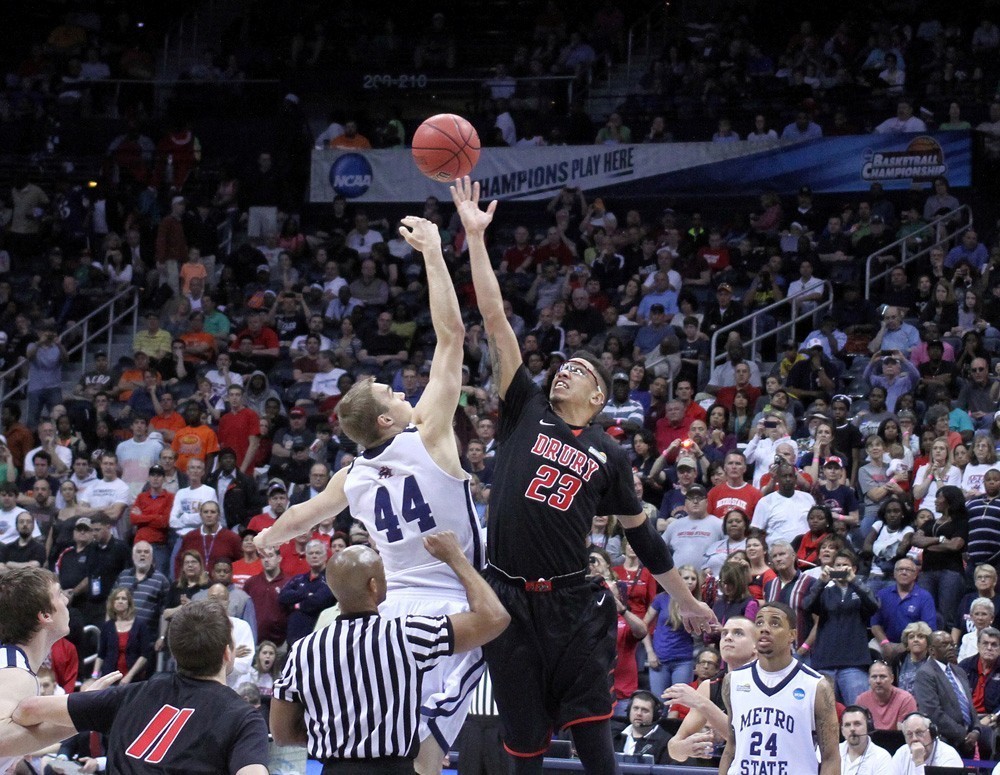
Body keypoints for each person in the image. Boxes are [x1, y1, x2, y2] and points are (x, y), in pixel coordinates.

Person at [446, 177, 714, 773]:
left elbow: (645, 538)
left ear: (598, 398)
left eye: (580, 371)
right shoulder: (525, 409)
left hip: (572, 603)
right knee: (525, 750)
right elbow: (495, 318)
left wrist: (686, 599)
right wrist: (475, 237)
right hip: (507, 600)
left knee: (594, 743)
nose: (564, 371)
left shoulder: (609, 453)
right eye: (562, 365)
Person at [257, 213, 491, 774]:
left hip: (389, 615)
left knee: (396, 737)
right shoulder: (430, 436)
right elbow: (452, 336)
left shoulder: (352, 477)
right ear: (386, 420)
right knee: (427, 745)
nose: (404, 390)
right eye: (393, 392)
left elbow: (302, 516)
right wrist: (432, 253)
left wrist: (267, 538)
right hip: (451, 604)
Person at [270, 532, 509, 773]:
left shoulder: (303, 650)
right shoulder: (406, 634)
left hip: (335, 768)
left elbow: (281, 733)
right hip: (394, 768)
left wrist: (338, 740)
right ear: (374, 586)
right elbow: (495, 618)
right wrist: (456, 558)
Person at [12, 599, 270, 775]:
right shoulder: (244, 718)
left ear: (174, 653)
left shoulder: (131, 694)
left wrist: (86, 704)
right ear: (227, 654)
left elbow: (28, 708)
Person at [719, 602, 840, 775]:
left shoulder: (816, 686)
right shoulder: (733, 681)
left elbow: (831, 758)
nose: (764, 628)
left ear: (792, 635)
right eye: (759, 623)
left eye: (774, 623)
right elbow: (732, 746)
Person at [804, 550, 880, 705]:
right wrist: (821, 582)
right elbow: (806, 605)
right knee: (825, 714)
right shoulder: (825, 592)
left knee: (858, 711)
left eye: (845, 565)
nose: (841, 569)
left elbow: (874, 605)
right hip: (824, 663)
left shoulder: (861, 591)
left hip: (854, 664)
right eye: (837, 565)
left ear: (854, 569)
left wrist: (854, 581)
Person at [914, 629, 987, 757]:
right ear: (932, 650)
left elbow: (970, 706)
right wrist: (963, 735)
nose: (951, 648)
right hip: (945, 738)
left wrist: (976, 730)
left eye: (952, 644)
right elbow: (933, 713)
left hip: (969, 736)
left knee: (989, 738)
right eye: (945, 645)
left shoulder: (959, 671)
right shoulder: (925, 673)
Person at [891, 711, 963, 773]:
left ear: (932, 733)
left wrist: (919, 763)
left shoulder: (949, 756)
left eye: (919, 732)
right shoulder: (902, 753)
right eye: (909, 734)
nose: (914, 739)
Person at [855, 660, 918, 731]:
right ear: (868, 679)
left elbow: (905, 733)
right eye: (874, 677)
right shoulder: (861, 700)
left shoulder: (905, 700)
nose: (878, 681)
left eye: (882, 676)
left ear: (892, 678)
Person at [612, 690, 671, 763]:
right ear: (629, 710)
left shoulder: (666, 742)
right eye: (635, 708)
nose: (639, 713)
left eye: (645, 710)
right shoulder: (614, 735)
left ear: (655, 715)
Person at [840, 705, 892, 775]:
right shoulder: (833, 752)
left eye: (857, 724)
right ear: (842, 731)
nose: (852, 729)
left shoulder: (882, 757)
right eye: (847, 725)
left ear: (868, 728)